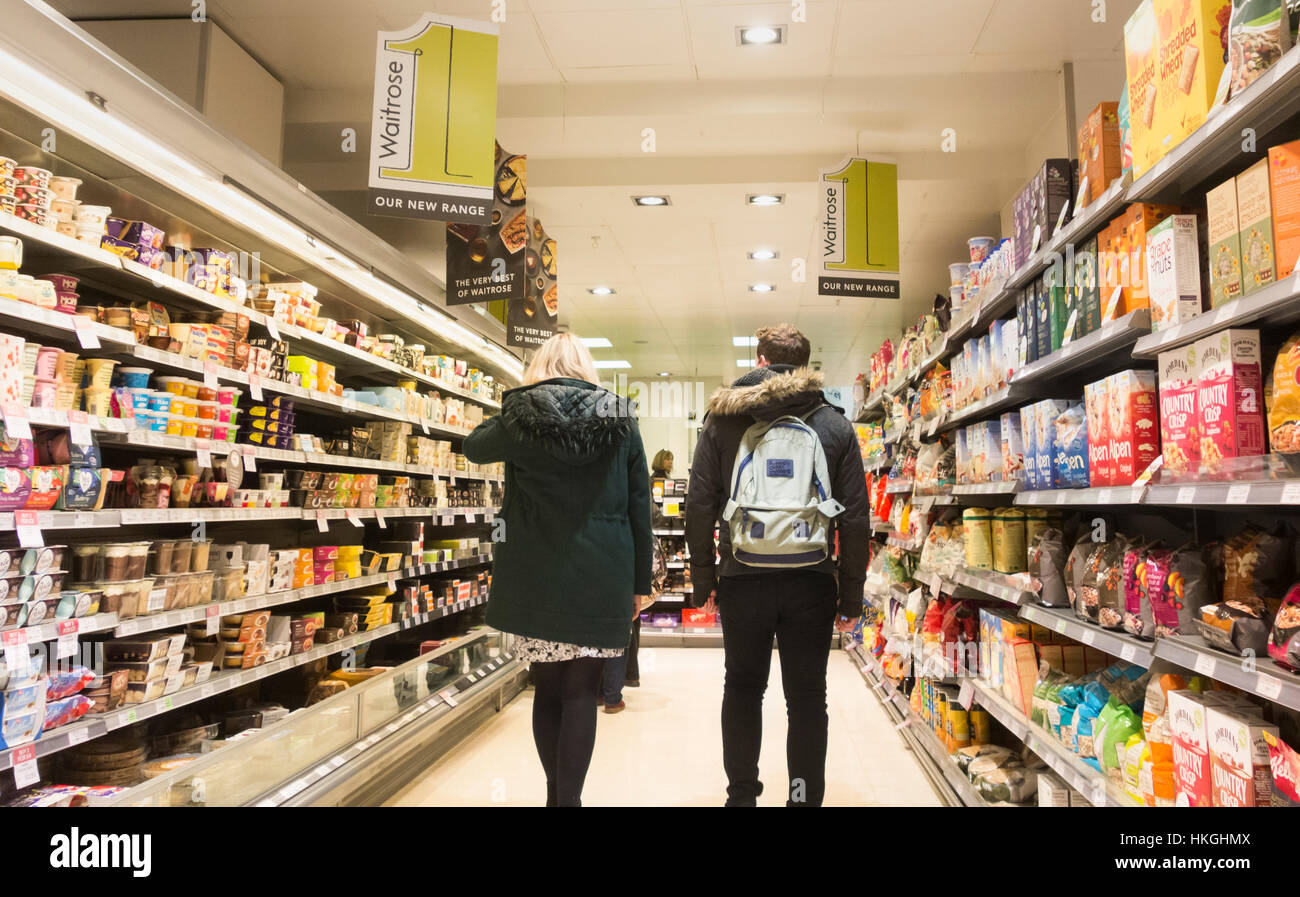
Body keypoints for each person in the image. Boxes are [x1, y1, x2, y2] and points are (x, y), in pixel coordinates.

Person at [464, 332, 652, 807]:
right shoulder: (620, 417)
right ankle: (569, 801)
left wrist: (515, 404)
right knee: (582, 691)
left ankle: (554, 799)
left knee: (547, 686)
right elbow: (639, 505)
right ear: (587, 368)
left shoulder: (521, 417)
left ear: (539, 368)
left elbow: (472, 446)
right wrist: (640, 582)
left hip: (537, 573)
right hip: (602, 572)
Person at [685, 323, 869, 807]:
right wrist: (851, 597)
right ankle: (803, 799)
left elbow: (700, 503)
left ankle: (742, 797)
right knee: (807, 697)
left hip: (743, 577)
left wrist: (704, 579)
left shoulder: (724, 420)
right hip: (811, 581)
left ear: (760, 362)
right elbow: (855, 520)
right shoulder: (834, 424)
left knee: (743, 688)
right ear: (806, 367)